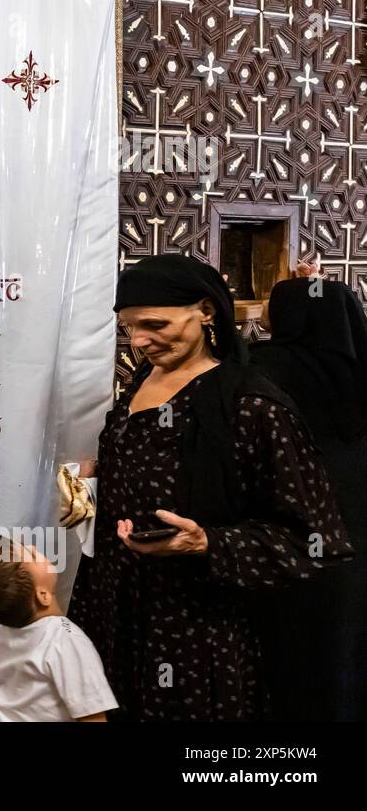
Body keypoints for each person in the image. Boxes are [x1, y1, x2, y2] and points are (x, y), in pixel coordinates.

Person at [66, 254, 353, 721]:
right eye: (130, 327)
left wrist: (208, 543)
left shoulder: (252, 406)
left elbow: (316, 542)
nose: (139, 341)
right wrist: (101, 479)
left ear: (205, 310)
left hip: (193, 634)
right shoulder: (142, 380)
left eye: (155, 324)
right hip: (113, 611)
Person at [250, 276, 367, 720]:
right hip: (356, 550)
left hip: (291, 547)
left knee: (294, 659)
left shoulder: (266, 368)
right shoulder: (359, 370)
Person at [0, 536, 117, 722]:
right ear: (43, 595)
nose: (34, 547)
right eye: (31, 555)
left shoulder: (3, 629)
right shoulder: (67, 641)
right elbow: (93, 716)